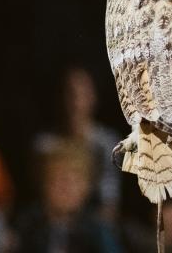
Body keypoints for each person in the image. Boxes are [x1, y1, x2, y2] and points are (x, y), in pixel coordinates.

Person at [33, 66, 121, 221]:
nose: (76, 102)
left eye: (82, 95)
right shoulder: (45, 145)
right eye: (71, 94)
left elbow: (109, 200)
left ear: (93, 98)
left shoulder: (107, 144)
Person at [15, 141, 121, 253]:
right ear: (44, 183)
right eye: (59, 179)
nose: (66, 188)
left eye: (74, 182)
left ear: (86, 188)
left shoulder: (98, 231)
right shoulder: (26, 226)